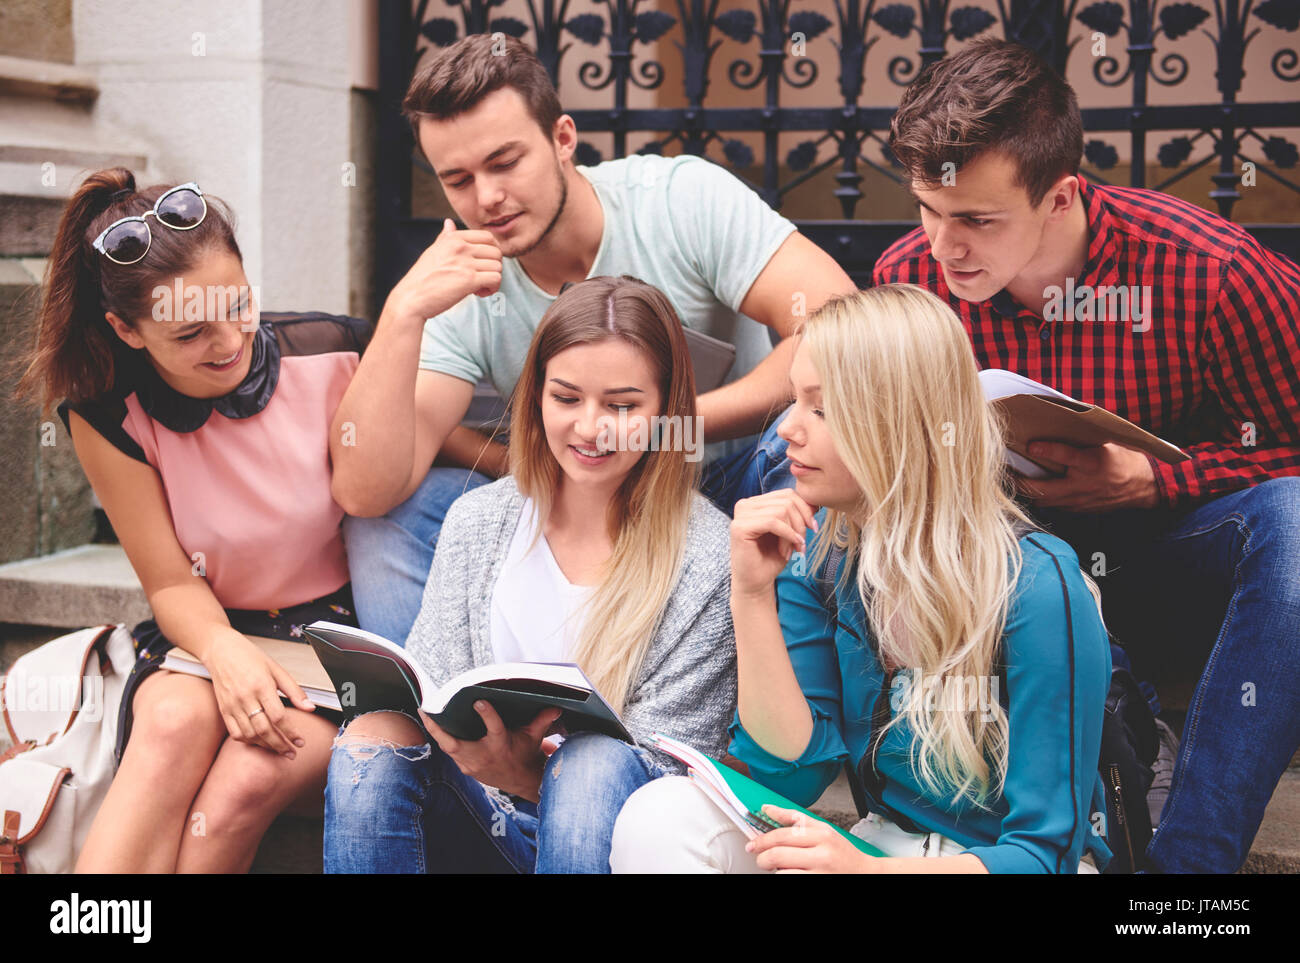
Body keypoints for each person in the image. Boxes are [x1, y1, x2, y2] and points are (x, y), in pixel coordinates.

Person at [872, 38, 1300, 873]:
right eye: (929, 209)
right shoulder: (908, 281)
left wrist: (1157, 479)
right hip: (1007, 581)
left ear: (1061, 195)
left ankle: (1185, 878)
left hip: (1174, 564)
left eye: (976, 220)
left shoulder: (1207, 271)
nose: (943, 245)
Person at [331, 33, 855, 645]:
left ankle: (799, 708)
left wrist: (669, 424)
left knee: (816, 456)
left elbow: (838, 328)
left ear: (562, 139)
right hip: (577, 501)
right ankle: (445, 714)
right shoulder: (461, 282)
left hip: (725, 480)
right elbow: (366, 490)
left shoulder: (676, 199)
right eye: (458, 179)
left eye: (505, 163)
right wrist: (401, 313)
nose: (487, 198)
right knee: (391, 519)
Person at [611, 284, 1113, 874]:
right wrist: (749, 594)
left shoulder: (1038, 585)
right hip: (874, 848)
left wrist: (864, 869)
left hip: (985, 867)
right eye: (795, 400)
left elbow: (1044, 854)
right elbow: (791, 774)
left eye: (821, 408)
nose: (788, 430)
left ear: (903, 421)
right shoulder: (821, 557)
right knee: (664, 812)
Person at [15, 168, 368, 872]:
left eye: (239, 304)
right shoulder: (106, 415)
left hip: (337, 646)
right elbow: (171, 582)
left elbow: (465, 439)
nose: (230, 339)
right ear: (126, 329)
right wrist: (226, 651)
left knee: (244, 779)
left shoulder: (337, 350)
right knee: (172, 724)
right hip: (207, 627)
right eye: (190, 332)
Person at [323, 276, 737, 874]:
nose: (590, 428)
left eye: (622, 406)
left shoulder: (706, 556)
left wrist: (524, 774)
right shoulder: (480, 521)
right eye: (566, 398)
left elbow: (675, 777)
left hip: (616, 845)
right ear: (536, 395)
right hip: (483, 826)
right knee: (374, 736)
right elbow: (432, 686)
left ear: (667, 410)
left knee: (593, 763)